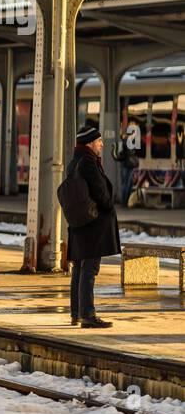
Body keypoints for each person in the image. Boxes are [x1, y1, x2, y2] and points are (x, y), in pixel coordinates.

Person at [63, 127, 120, 329]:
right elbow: (99, 190)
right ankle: (88, 315)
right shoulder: (88, 162)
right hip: (92, 224)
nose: (102, 144)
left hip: (80, 223)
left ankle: (77, 313)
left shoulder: (75, 162)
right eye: (98, 141)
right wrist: (108, 204)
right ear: (89, 143)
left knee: (79, 268)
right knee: (89, 270)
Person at [113, 130, 140, 206]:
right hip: (127, 165)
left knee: (127, 184)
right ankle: (124, 202)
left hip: (127, 165)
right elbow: (130, 153)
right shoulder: (127, 142)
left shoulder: (128, 142)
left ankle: (125, 201)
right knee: (126, 184)